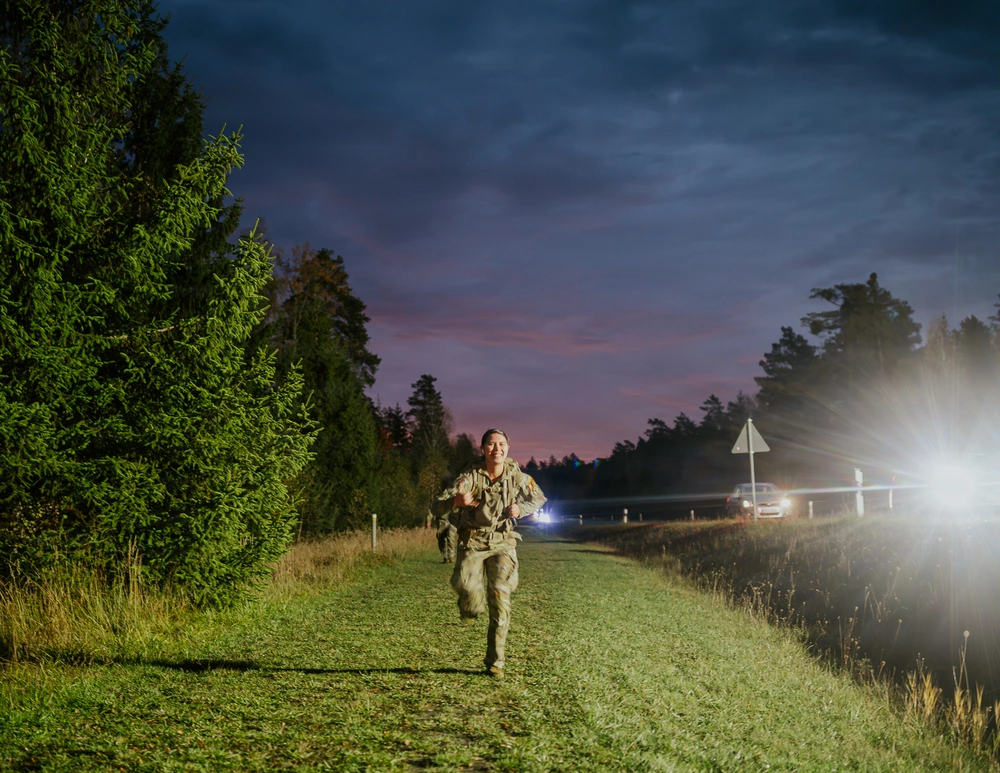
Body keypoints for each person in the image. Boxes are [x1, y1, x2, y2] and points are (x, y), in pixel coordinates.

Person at [430, 428, 545, 677]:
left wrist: (521, 508)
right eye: (491, 444)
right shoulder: (469, 477)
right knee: (472, 604)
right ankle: (469, 603)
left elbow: (539, 498)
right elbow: (436, 507)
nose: (497, 449)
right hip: (472, 543)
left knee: (500, 599)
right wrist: (455, 502)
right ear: (483, 449)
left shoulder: (517, 475)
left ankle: (496, 663)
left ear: (508, 448)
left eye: (501, 444)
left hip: (503, 543)